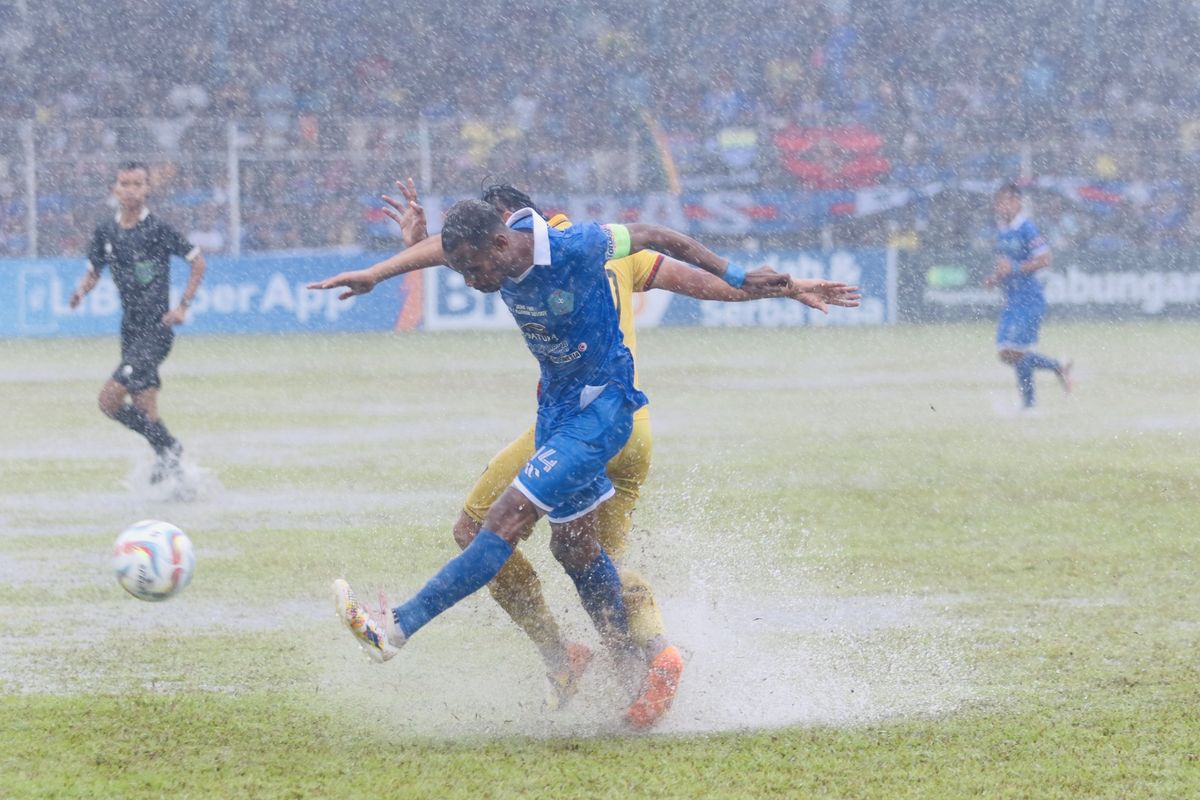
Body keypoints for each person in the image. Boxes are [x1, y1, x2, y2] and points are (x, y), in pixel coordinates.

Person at [318, 181, 859, 728]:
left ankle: (395, 630)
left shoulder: (577, 244)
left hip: (601, 415)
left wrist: (749, 276)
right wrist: (384, 267)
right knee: (577, 550)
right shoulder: (501, 250)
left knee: (500, 520)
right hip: (561, 414)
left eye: (473, 266)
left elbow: (661, 242)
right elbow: (445, 249)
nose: (468, 280)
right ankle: (642, 660)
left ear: (504, 234)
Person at [69, 161, 206, 487]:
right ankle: (172, 475)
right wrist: (81, 291)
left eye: (138, 184)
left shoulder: (157, 229)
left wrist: (183, 306)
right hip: (130, 331)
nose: (131, 190)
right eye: (125, 184)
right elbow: (94, 271)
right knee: (146, 410)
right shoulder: (106, 231)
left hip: (156, 331)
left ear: (147, 189)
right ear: (115, 189)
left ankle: (170, 448)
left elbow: (197, 261)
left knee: (108, 401)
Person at [984, 183, 1072, 412]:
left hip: (1029, 300)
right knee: (1007, 352)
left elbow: (1045, 259)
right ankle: (1058, 366)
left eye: (1004, 201)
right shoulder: (1002, 230)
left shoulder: (1027, 228)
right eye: (997, 202)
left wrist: (1013, 268)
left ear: (1017, 202)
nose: (999, 206)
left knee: (1017, 352)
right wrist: (996, 277)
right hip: (1011, 301)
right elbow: (1005, 265)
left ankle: (1029, 406)